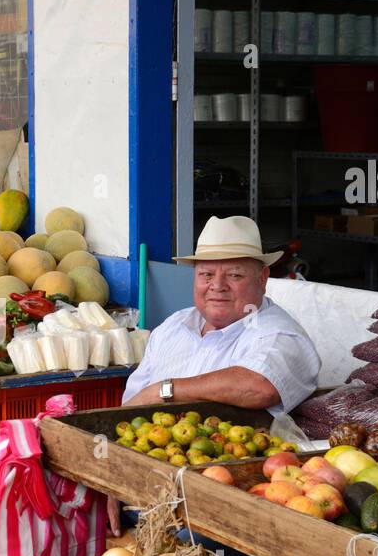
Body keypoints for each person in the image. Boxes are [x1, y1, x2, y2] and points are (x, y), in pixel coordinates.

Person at [112, 215, 321, 532]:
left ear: (263, 278)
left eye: (235, 275)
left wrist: (166, 390)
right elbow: (128, 411)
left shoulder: (278, 334)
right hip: (146, 485)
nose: (217, 286)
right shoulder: (174, 327)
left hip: (221, 505)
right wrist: (111, 473)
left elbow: (259, 385)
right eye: (206, 274)